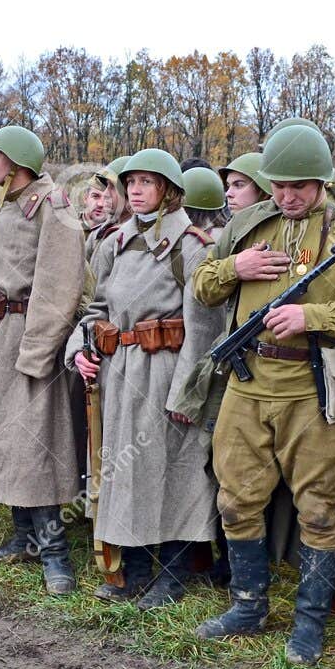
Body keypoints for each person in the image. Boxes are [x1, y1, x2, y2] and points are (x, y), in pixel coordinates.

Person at [192, 123, 335, 664]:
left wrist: (314, 316)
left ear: (322, 182)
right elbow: (203, 285)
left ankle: (309, 623)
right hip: (249, 381)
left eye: (300, 186)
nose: (287, 196)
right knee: (235, 499)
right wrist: (235, 267)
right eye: (279, 185)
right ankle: (247, 604)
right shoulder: (248, 225)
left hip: (315, 388)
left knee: (320, 509)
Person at [70, 149, 221, 607]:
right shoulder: (114, 242)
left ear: (170, 191)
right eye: (129, 182)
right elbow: (96, 309)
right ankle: (134, 571)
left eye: (146, 183)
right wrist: (80, 348)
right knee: (125, 470)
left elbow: (204, 327)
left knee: (175, 471)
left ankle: (173, 575)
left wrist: (187, 393)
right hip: (120, 373)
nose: (135, 191)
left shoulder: (190, 246)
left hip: (166, 371)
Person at [0, 126, 85, 593]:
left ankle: (55, 553)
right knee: (5, 442)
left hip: (30, 339)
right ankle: (21, 536)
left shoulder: (54, 208)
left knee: (38, 447)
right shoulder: (4, 206)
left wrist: (36, 354)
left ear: (18, 161)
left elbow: (59, 289)